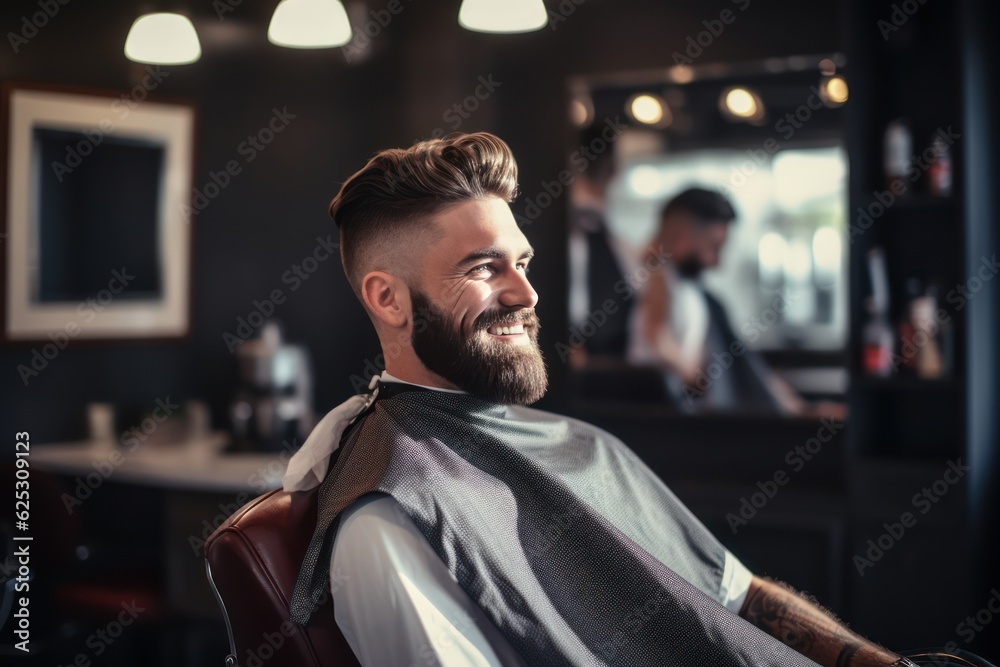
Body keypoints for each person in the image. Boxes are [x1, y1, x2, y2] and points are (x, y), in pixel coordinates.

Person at [283, 133, 908, 666]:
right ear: (388, 299)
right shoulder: (395, 512)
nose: (526, 295)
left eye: (522, 263)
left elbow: (738, 597)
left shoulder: (584, 444)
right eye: (482, 269)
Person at [629, 188, 835, 416]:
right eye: (713, 247)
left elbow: (744, 362)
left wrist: (801, 408)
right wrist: (696, 377)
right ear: (680, 234)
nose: (716, 263)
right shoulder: (653, 278)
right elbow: (656, 338)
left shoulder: (690, 290)